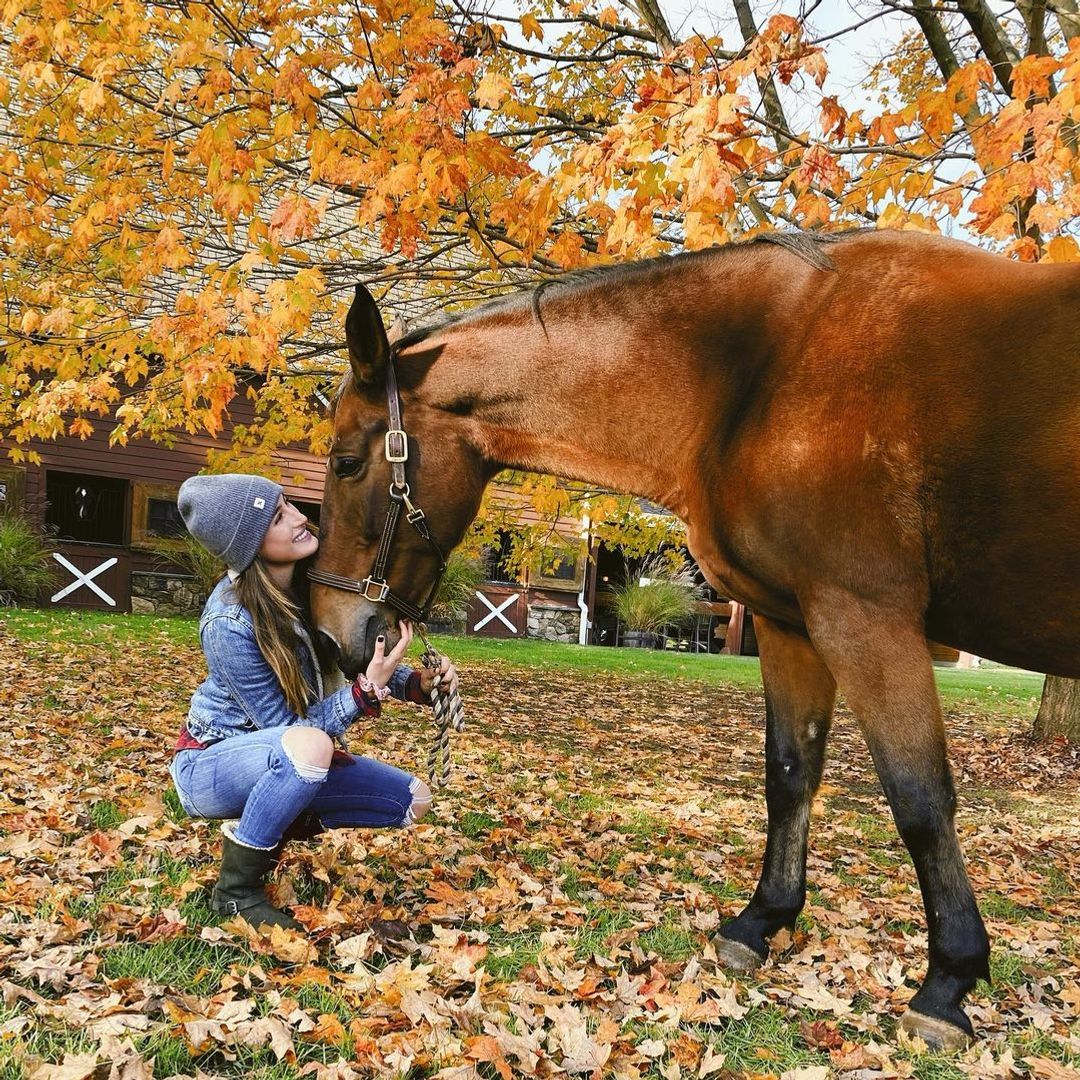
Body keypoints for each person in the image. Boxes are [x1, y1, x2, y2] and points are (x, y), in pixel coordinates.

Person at [169, 473, 457, 931]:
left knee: (411, 801)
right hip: (212, 764)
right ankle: (236, 892)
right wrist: (364, 695)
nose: (300, 518)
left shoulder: (311, 587)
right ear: (248, 543)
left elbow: (346, 656)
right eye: (278, 516)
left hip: (292, 756)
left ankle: (278, 813)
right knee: (308, 748)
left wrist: (415, 685)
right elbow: (290, 728)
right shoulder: (228, 621)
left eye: (289, 505)